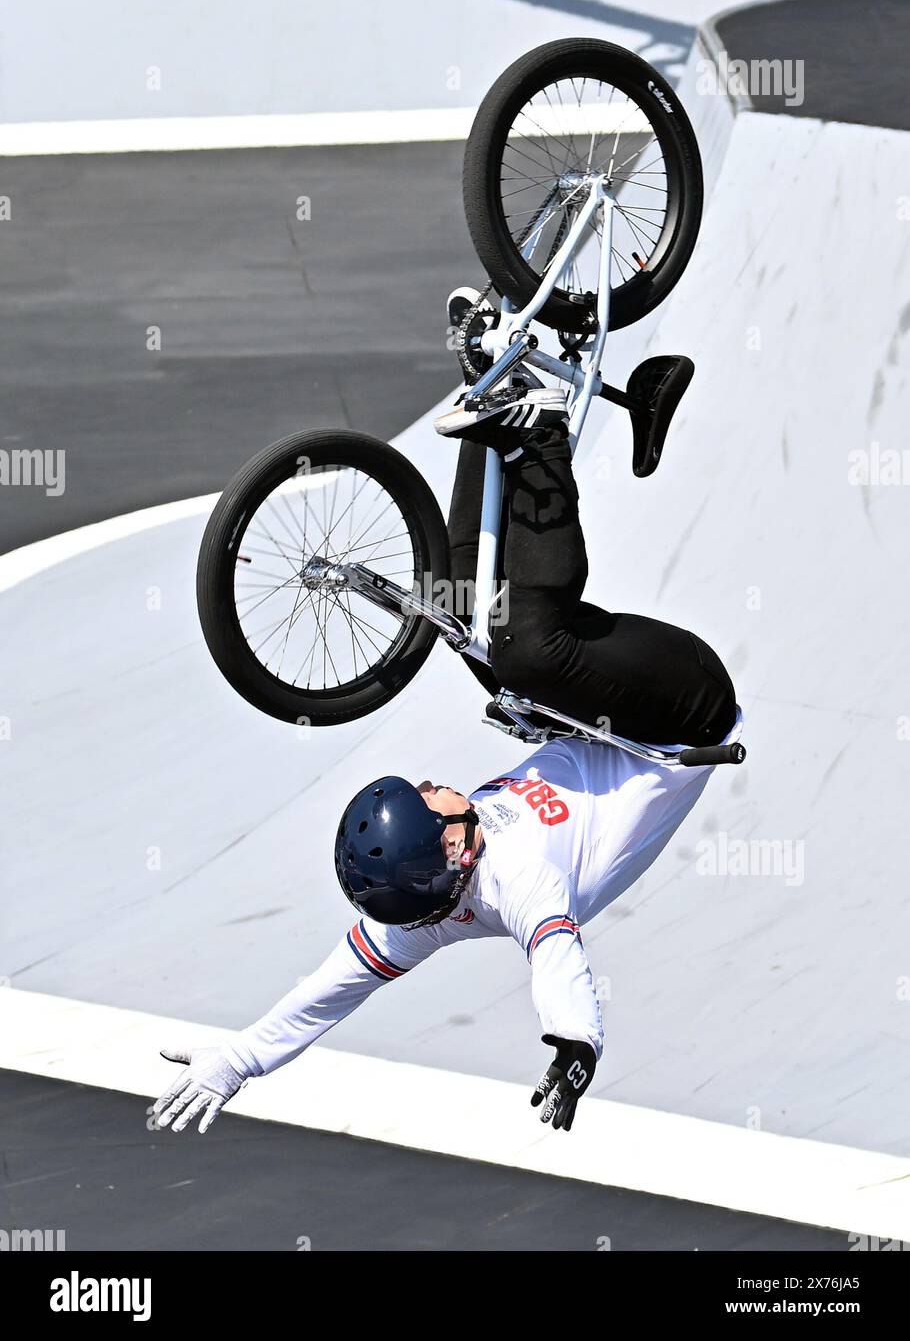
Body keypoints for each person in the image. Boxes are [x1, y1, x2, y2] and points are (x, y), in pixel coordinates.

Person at [153, 295, 740, 1138]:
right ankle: (535, 429)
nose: (436, 783)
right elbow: (556, 960)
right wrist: (576, 1044)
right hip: (684, 710)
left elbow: (324, 994)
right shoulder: (518, 879)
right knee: (527, 648)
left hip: (581, 724)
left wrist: (237, 1060)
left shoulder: (412, 912)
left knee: (461, 611)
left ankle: (493, 393)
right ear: (456, 850)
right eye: (430, 801)